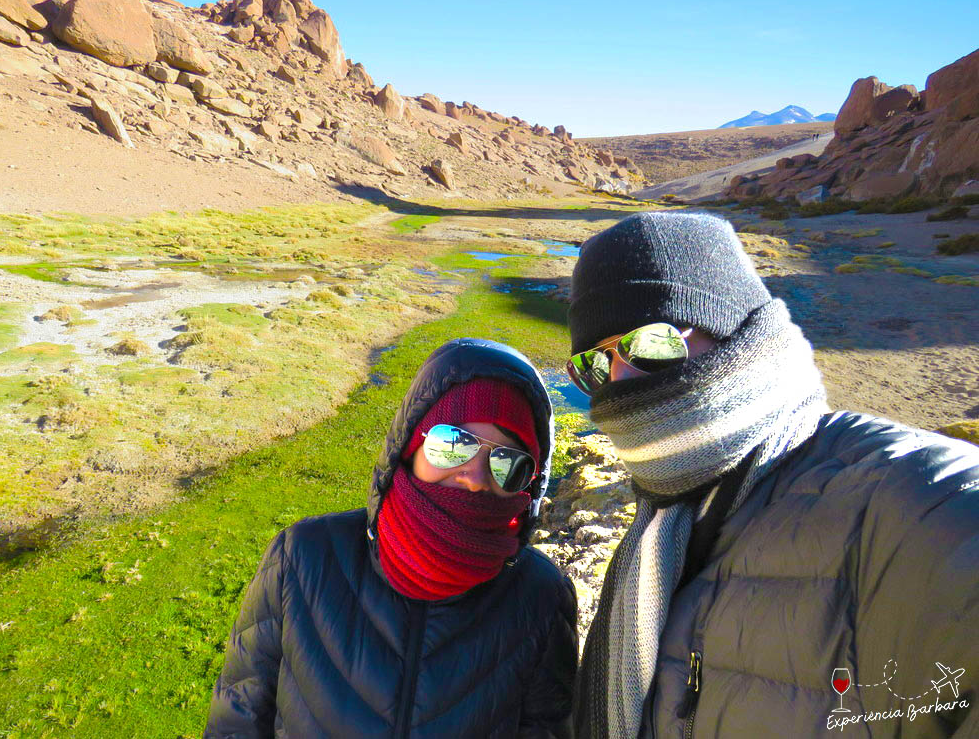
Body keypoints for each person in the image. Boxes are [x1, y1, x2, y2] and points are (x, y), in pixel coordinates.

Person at [565, 211, 979, 738]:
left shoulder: (908, 498)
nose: (620, 378)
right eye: (595, 365)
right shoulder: (666, 515)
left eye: (652, 343)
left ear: (740, 333)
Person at [205, 338, 578, 738]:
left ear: (529, 485)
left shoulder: (541, 596)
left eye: (508, 462)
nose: (474, 477)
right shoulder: (303, 557)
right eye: (453, 443)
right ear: (410, 446)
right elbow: (238, 722)